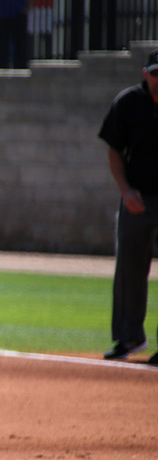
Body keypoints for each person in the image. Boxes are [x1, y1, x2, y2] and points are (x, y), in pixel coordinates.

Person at [99, 49, 158, 362]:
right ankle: (129, 337)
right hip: (137, 198)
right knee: (129, 269)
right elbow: (114, 149)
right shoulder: (129, 102)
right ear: (145, 74)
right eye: (155, 73)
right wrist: (124, 189)